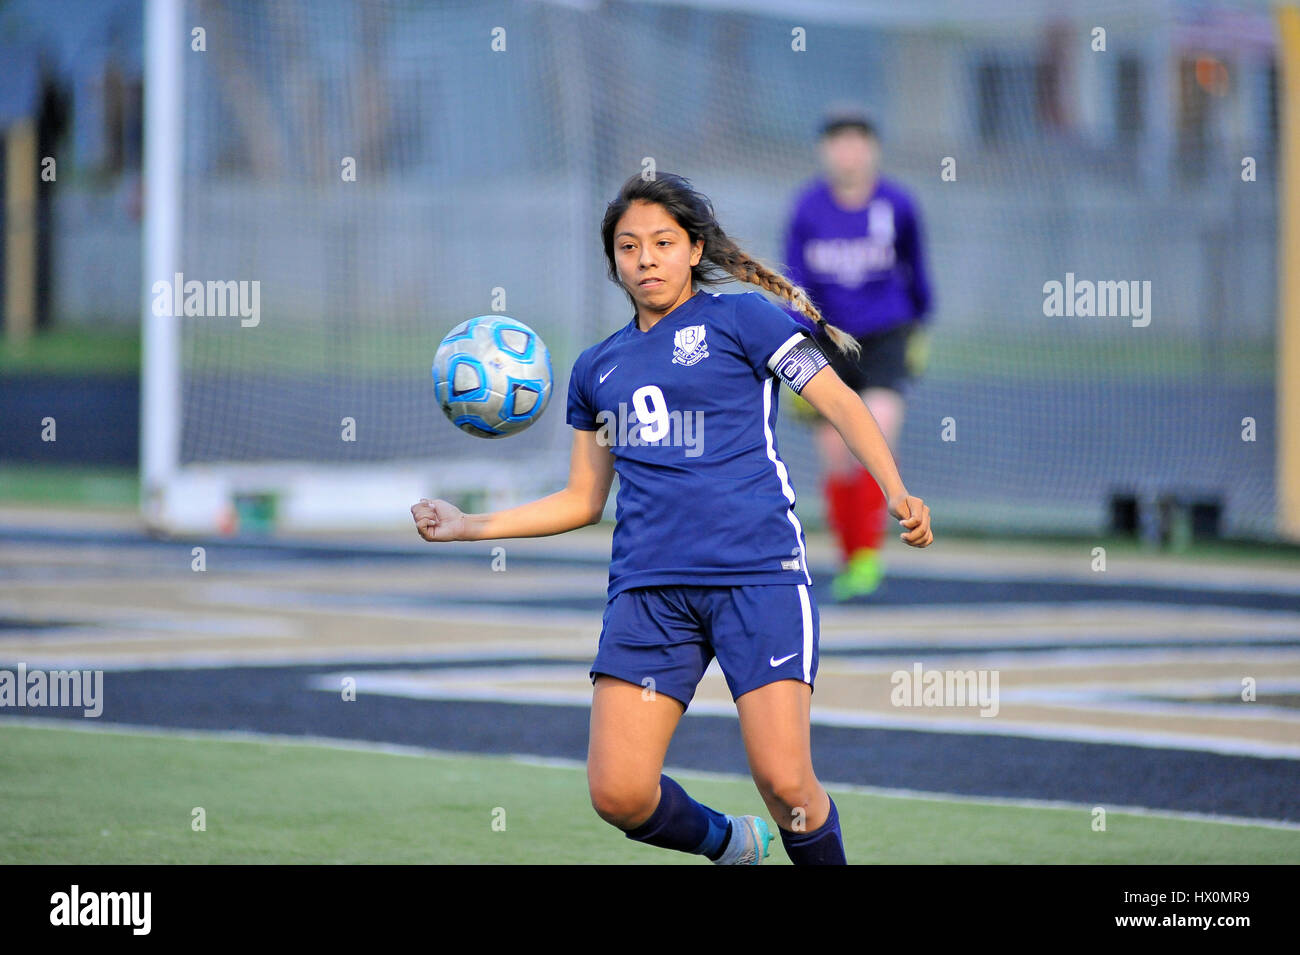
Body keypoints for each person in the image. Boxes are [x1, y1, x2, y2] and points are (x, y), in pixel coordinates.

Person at [411, 171, 932, 865]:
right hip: (649, 593)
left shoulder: (743, 317)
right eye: (629, 247)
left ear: (693, 248)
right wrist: (470, 525)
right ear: (614, 261)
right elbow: (582, 501)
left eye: (662, 242)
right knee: (619, 793)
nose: (646, 258)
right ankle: (731, 843)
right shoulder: (598, 367)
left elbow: (837, 399)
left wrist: (895, 488)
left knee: (787, 783)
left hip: (758, 577)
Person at [781, 106, 933, 600]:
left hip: (886, 334)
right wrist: (795, 344)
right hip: (827, 337)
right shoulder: (808, 208)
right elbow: (793, 283)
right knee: (836, 455)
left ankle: (869, 557)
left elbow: (916, 268)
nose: (848, 153)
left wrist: (920, 323)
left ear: (873, 150)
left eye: (857, 143)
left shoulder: (897, 203)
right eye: (838, 143)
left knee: (877, 432)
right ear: (825, 152)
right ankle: (851, 557)